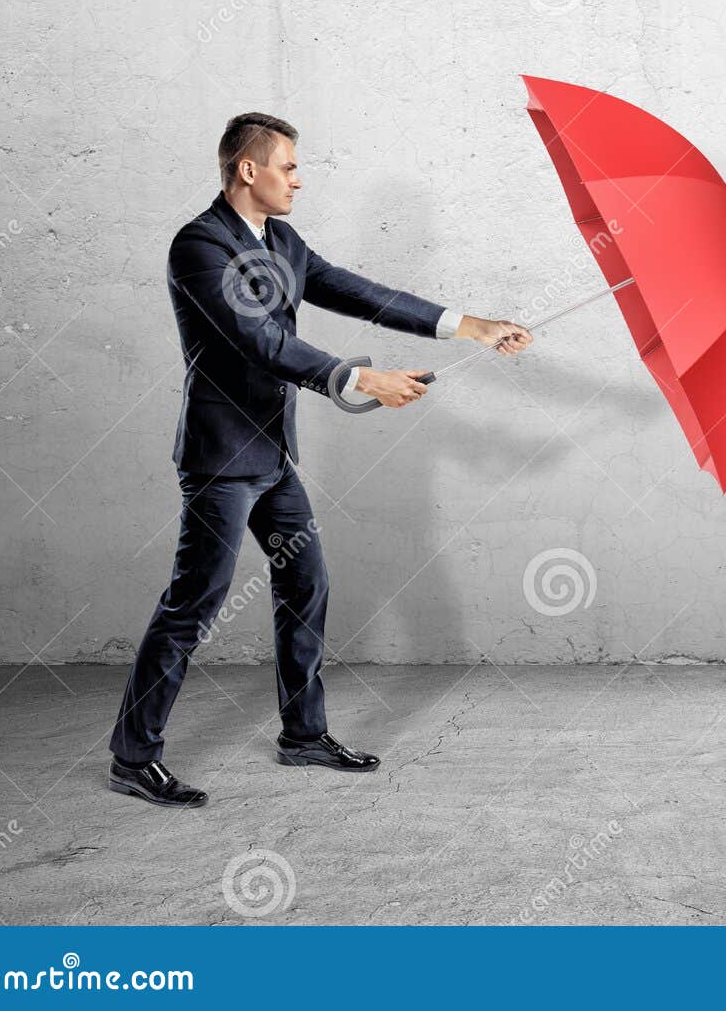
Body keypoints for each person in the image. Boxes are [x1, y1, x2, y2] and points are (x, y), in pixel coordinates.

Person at [107, 112, 532, 808]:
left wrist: (470, 326)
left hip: (273, 453)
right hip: (221, 460)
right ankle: (133, 755)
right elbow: (261, 342)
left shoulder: (282, 239)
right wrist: (365, 380)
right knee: (194, 604)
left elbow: (357, 291)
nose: (299, 179)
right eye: (290, 166)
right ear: (250, 170)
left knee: (305, 585)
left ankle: (303, 736)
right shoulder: (199, 246)